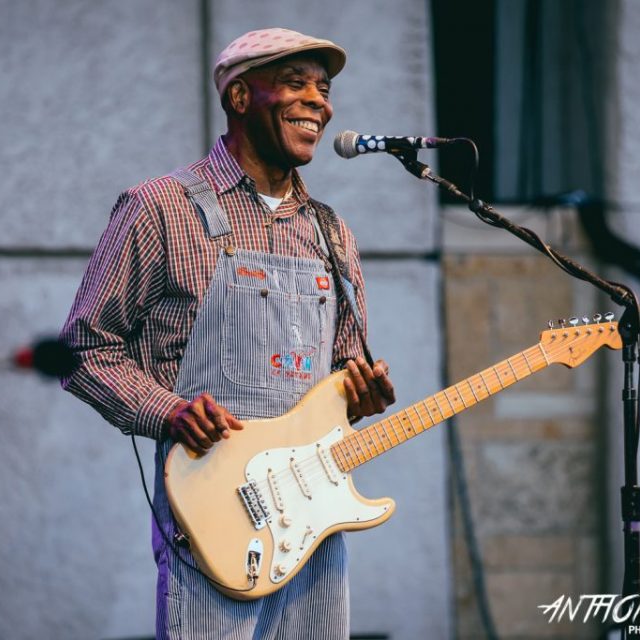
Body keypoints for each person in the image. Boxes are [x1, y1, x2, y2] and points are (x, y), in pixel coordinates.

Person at [60, 27, 396, 639]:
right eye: (295, 84)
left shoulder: (332, 232)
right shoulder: (159, 207)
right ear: (240, 98)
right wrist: (167, 412)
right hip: (211, 514)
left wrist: (360, 392)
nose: (319, 102)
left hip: (312, 520)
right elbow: (83, 347)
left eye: (324, 89)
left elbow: (343, 369)